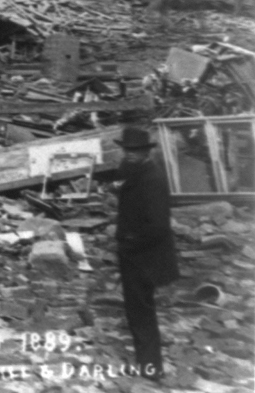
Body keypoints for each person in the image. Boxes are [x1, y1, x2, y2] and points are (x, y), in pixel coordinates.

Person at [115, 125, 178, 383]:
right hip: (136, 255)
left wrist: (129, 242)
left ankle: (151, 369)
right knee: (137, 311)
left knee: (142, 313)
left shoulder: (152, 179)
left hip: (145, 257)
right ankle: (147, 364)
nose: (129, 154)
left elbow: (159, 226)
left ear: (146, 152)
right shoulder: (136, 171)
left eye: (136, 150)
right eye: (127, 150)